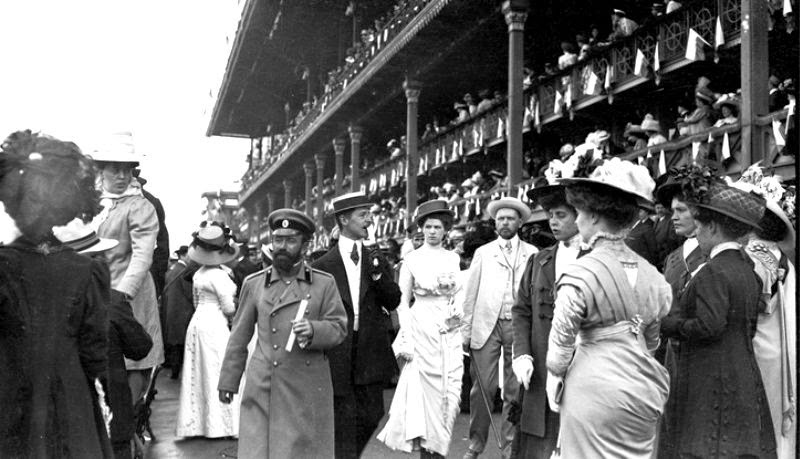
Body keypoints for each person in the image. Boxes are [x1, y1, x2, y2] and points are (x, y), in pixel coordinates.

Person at [546, 157, 672, 457]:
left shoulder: (580, 273)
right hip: (642, 388)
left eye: (579, 213)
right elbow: (651, 341)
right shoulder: (654, 276)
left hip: (593, 389)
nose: (576, 221)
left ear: (593, 217)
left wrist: (558, 374)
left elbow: (558, 353)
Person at [0, 130, 113, 458]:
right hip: (70, 398)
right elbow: (94, 350)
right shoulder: (86, 267)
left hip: (10, 396)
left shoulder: (3, 267)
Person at [660, 175, 776, 458]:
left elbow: (709, 326)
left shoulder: (713, 270)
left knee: (710, 447)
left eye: (698, 226)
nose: (696, 233)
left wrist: (667, 324)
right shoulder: (747, 268)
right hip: (743, 373)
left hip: (711, 378)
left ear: (713, 227)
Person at [218, 209, 347, 458]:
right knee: (259, 451)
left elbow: (339, 327)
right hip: (264, 385)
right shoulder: (254, 284)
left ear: (305, 245)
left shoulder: (323, 283)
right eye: (278, 240)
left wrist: (314, 330)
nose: (282, 247)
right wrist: (228, 381)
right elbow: (239, 337)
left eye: (290, 241)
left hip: (306, 387)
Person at [312, 191, 402, 458]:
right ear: (343, 219)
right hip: (337, 350)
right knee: (342, 415)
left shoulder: (376, 258)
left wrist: (377, 274)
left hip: (370, 349)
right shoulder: (322, 265)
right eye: (363, 215)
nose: (369, 220)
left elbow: (393, 299)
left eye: (369, 214)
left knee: (373, 414)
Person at [54, 217, 153, 459]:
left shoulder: (44, 304)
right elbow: (140, 348)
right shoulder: (113, 301)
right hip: (111, 414)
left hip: (61, 418)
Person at [378, 199, 464, 458]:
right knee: (423, 394)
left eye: (438, 227)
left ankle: (439, 449)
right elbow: (402, 302)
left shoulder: (453, 258)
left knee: (448, 391)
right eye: (428, 226)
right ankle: (427, 451)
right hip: (420, 326)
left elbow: (458, 294)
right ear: (421, 228)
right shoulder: (411, 259)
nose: (432, 231)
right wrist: (406, 335)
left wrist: (456, 314)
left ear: (445, 229)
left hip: (447, 328)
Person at [511, 176, 582, 458]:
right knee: (537, 442)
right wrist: (522, 354)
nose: (553, 222)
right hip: (539, 366)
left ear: (581, 217)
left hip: (580, 364)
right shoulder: (539, 260)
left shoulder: (596, 259)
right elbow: (521, 310)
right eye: (551, 215)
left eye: (561, 215)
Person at [91, 132, 164, 403]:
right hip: (97, 291)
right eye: (115, 169)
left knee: (131, 360)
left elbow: (142, 257)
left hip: (129, 293)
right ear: (102, 170)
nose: (122, 176)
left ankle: (129, 422)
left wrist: (122, 296)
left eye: (127, 170)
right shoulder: (95, 205)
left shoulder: (140, 206)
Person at [462, 197, 537, 459]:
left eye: (510, 218)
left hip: (518, 326)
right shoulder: (483, 252)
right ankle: (475, 444)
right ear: (495, 223)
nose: (505, 222)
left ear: (520, 222)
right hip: (486, 325)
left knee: (516, 387)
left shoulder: (532, 253)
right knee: (483, 386)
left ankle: (509, 446)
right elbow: (469, 295)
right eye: (500, 218)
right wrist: (466, 330)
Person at [735, 167, 797, 457]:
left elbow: (753, 303)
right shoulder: (777, 254)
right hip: (776, 345)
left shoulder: (753, 255)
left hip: (757, 343)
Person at [176, 221, 242, 438]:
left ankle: (199, 424)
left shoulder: (199, 274)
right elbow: (229, 308)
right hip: (214, 324)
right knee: (218, 370)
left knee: (199, 370)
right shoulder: (220, 276)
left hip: (197, 322)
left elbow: (197, 302)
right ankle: (222, 426)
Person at [162, 245, 196, 379]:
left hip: (171, 311)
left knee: (175, 344)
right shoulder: (184, 272)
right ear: (184, 255)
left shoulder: (172, 270)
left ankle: (174, 371)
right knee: (182, 345)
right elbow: (190, 294)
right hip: (183, 313)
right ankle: (179, 372)